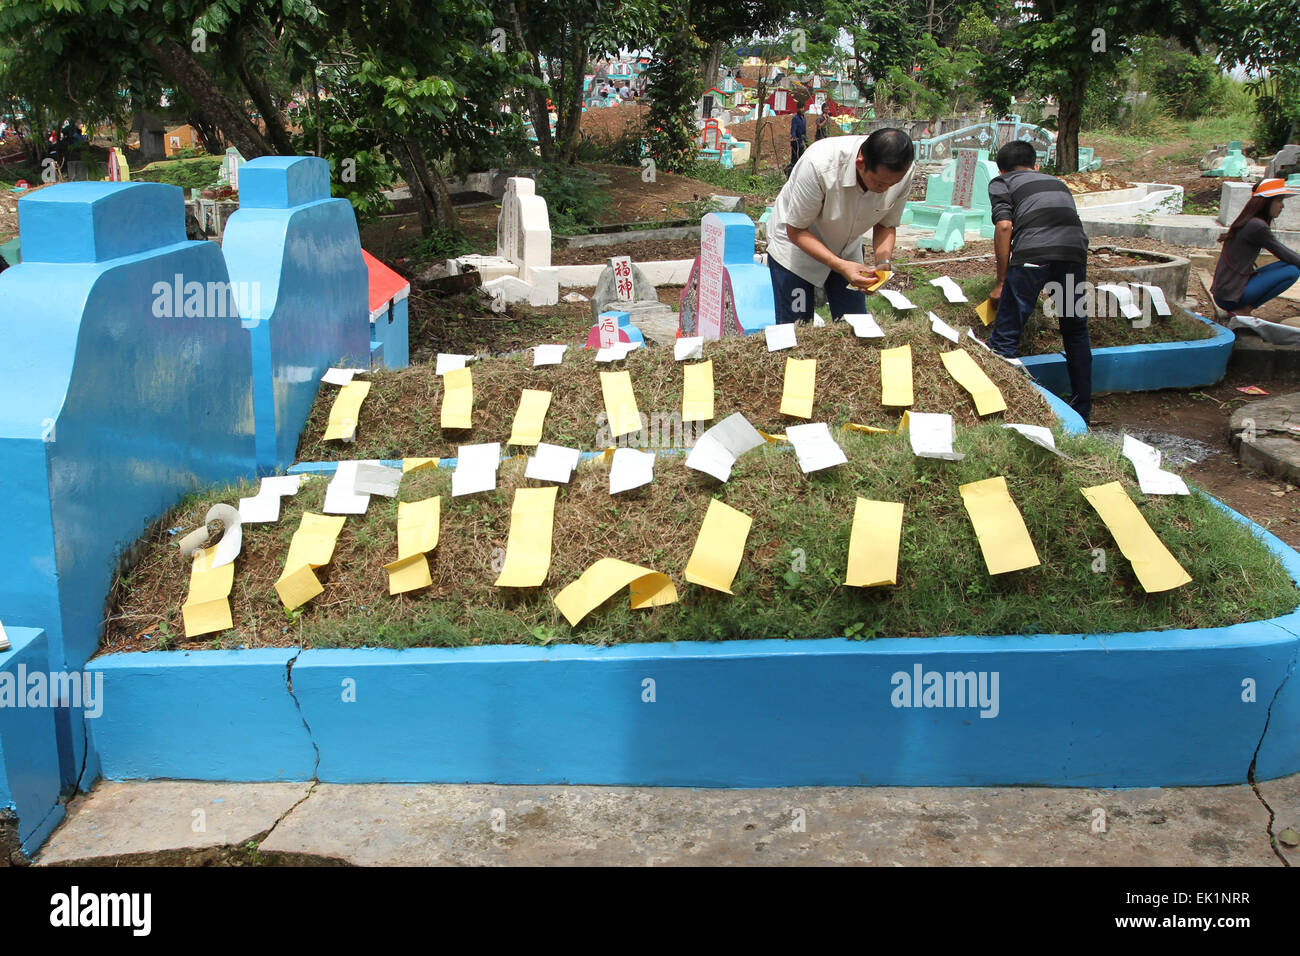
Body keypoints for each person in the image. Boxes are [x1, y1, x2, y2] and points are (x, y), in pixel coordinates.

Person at [986, 139, 1092, 424]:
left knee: (1005, 338)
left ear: (1001, 168)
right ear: (1035, 165)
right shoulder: (1056, 182)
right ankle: (1083, 410)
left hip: (1033, 255)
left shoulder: (1001, 182)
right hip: (1073, 255)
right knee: (1075, 330)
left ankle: (1000, 412)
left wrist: (1001, 282)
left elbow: (1005, 225)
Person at [766, 127, 915, 324]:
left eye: (892, 184)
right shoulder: (819, 165)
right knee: (797, 330)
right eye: (880, 184)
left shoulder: (902, 172)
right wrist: (841, 266)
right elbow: (796, 230)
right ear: (860, 163)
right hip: (796, 247)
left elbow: (886, 224)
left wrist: (883, 263)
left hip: (847, 249)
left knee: (855, 326)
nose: (885, 190)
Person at [1211, 178, 1300, 316]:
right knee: (1292, 271)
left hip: (1225, 292)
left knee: (1287, 265)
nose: (1282, 206)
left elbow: (1287, 256)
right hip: (1230, 298)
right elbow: (1283, 252)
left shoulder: (1250, 221)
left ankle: (1243, 308)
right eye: (1279, 201)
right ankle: (1244, 309)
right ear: (1266, 202)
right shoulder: (1257, 226)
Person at [787, 101, 808, 175]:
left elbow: (805, 130)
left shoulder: (804, 118)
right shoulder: (795, 118)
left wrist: (806, 141)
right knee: (794, 158)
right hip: (796, 142)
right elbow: (793, 129)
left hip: (801, 141)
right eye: (799, 108)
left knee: (801, 158)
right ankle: (789, 172)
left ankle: (799, 173)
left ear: (804, 108)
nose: (800, 109)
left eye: (802, 108)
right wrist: (794, 137)